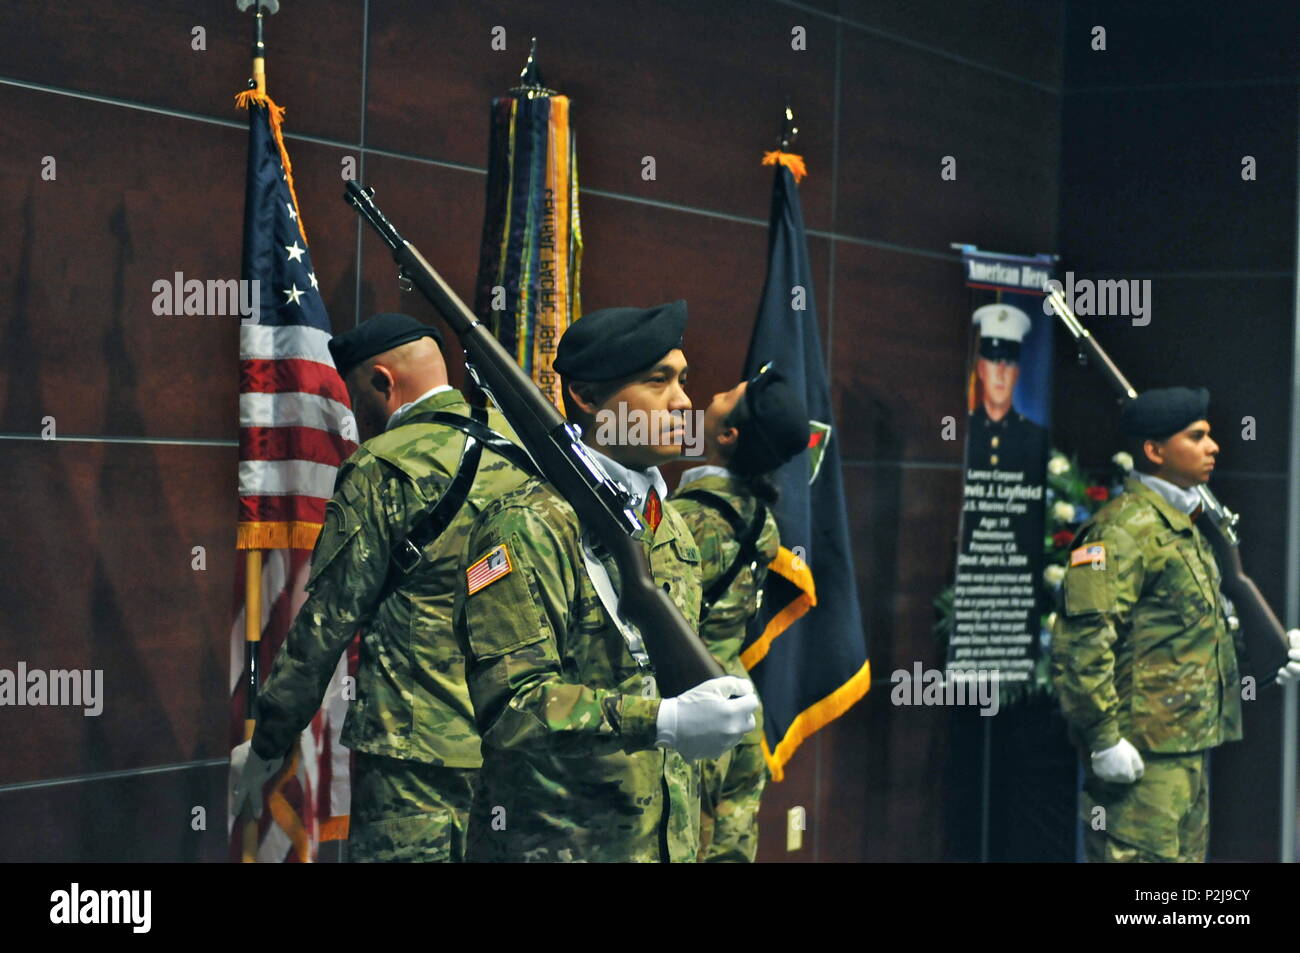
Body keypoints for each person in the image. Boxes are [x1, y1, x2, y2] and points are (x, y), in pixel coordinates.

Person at [453, 300, 759, 862]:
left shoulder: (667, 526)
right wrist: (663, 720)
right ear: (588, 398)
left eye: (684, 381)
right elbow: (512, 707)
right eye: (656, 380)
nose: (684, 401)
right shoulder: (528, 525)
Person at [229, 312, 533, 862]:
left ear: (382, 383)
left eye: (355, 399)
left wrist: (268, 742)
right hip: (521, 747)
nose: (357, 418)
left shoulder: (383, 466)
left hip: (415, 758)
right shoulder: (526, 453)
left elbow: (326, 623)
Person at [1052, 386, 1300, 862]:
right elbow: (1082, 643)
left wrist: (1264, 649)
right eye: (1197, 436)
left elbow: (1189, 628)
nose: (1214, 447)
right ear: (1154, 450)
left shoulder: (1184, 526)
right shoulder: (1123, 530)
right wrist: (1104, 739)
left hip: (1186, 744)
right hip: (1142, 751)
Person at [669, 362, 809, 862]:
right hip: (740, 705)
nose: (717, 391)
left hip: (695, 710)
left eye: (729, 393)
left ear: (729, 435)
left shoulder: (688, 519)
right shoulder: (759, 517)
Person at [966, 303, 1048, 473]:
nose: (1001, 373)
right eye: (995, 362)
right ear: (981, 369)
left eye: (1009, 363)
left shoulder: (1035, 435)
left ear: (1016, 373)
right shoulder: (958, 428)